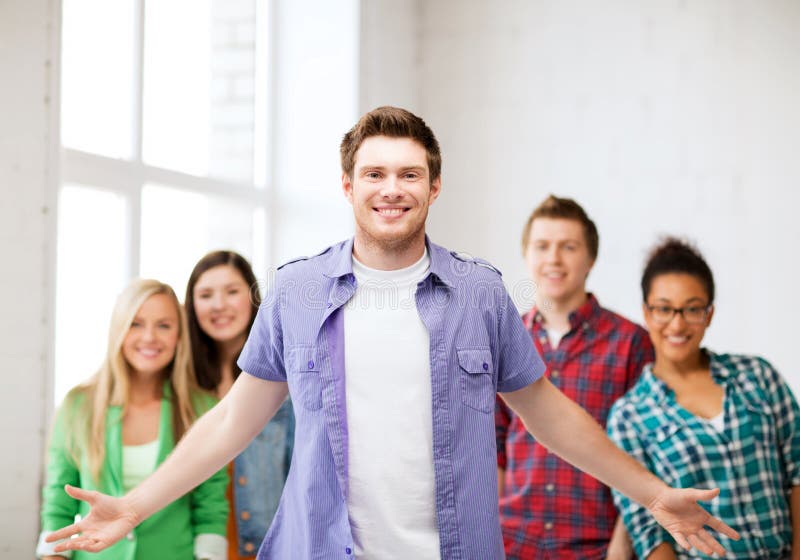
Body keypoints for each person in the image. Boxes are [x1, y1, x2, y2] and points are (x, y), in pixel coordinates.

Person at [46, 107, 739, 560]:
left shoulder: (479, 293)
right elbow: (233, 421)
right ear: (347, 185)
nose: (392, 188)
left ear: (435, 187)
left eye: (410, 173)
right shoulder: (296, 291)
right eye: (374, 173)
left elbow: (549, 413)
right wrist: (134, 505)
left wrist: (651, 492)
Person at [608, 238, 800, 559]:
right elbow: (648, 532)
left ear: (709, 314)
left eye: (693, 308)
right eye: (664, 309)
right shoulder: (629, 417)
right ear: (646, 313)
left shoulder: (758, 376)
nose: (678, 323)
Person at [496, 195, 653, 559]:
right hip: (515, 545)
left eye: (568, 246)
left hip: (596, 548)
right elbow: (495, 449)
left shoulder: (630, 343)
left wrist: (619, 551)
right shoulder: (505, 338)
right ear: (527, 255)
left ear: (591, 259)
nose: (554, 258)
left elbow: (643, 456)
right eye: (542, 246)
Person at [37, 279, 228, 560]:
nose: (150, 337)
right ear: (118, 330)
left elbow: (210, 508)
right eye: (136, 324)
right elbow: (58, 506)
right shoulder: (78, 405)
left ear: (179, 335)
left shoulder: (201, 408)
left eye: (164, 325)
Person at [185, 251, 294, 559]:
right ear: (192, 306)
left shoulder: (281, 382)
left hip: (264, 548)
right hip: (198, 547)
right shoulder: (183, 385)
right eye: (206, 294)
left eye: (232, 292)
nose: (219, 305)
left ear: (253, 297)